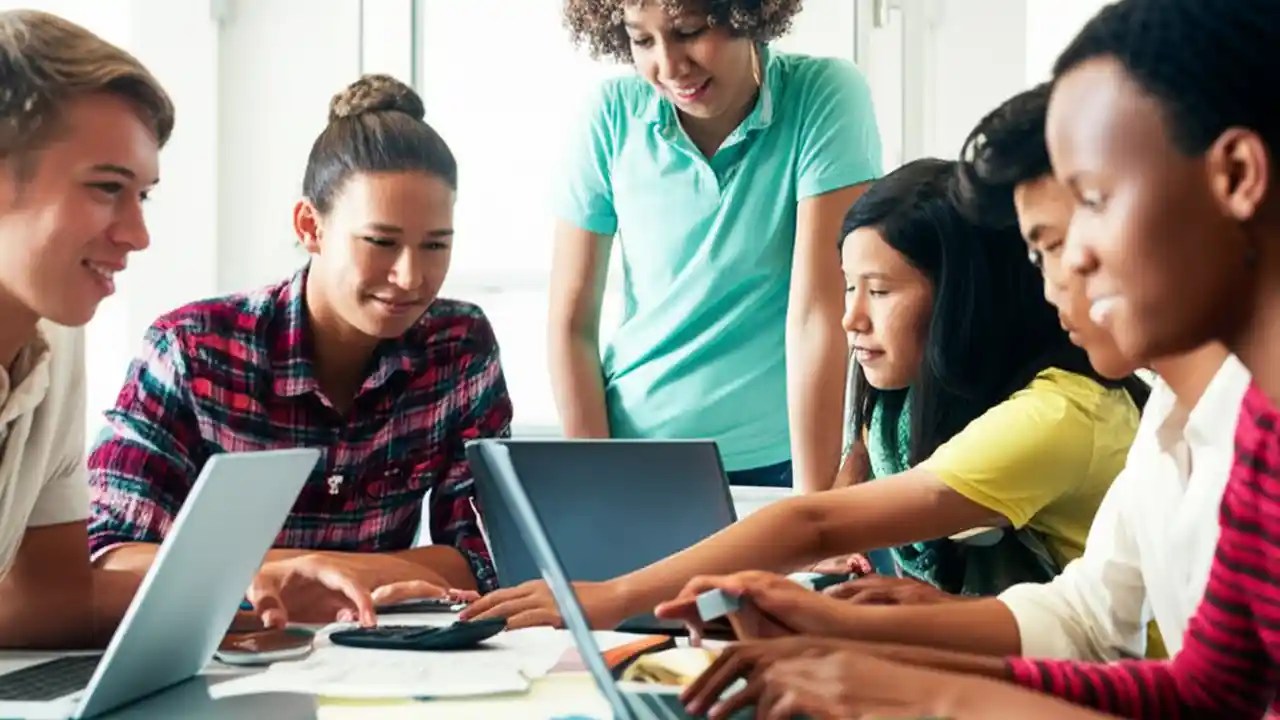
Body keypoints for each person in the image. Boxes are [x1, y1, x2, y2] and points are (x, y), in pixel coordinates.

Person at [683, 0, 1280, 716]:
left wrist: (923, 692)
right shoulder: (1248, 430)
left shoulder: (1188, 421)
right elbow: (1206, 696)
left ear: (1237, 175)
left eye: (1095, 201)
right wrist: (864, 657)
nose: (1071, 263)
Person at [462, 158, 1141, 630]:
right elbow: (844, 501)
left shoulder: (1055, 415)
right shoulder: (906, 396)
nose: (851, 319)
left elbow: (815, 521)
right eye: (848, 288)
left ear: (967, 301)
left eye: (880, 291)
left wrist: (610, 597)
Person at [0, 10, 374, 649]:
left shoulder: (55, 338)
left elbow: (51, 596)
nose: (137, 235)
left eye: (142, 195)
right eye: (106, 188)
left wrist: (252, 582)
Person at [88, 74, 513, 623]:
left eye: (435, 245)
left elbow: (486, 557)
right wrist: (310, 574)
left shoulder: (458, 346)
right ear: (310, 226)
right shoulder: (191, 350)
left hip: (376, 648)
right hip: (223, 648)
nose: (411, 276)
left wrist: (269, 572)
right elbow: (109, 556)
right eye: (381, 242)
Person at [551, 0, 882, 491]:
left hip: (785, 462)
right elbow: (572, 326)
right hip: (640, 457)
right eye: (642, 40)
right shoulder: (611, 115)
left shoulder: (822, 95)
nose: (669, 66)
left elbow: (818, 313)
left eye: (688, 31)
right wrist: (597, 483)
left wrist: (813, 505)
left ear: (748, 13)